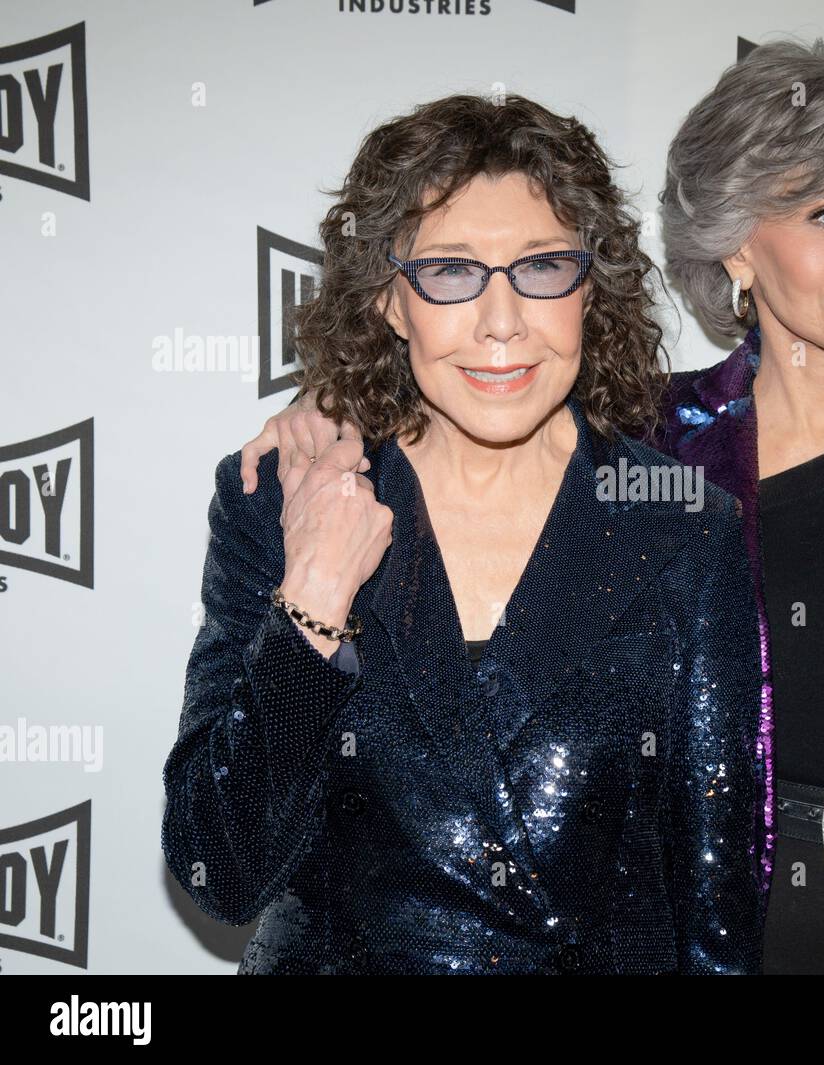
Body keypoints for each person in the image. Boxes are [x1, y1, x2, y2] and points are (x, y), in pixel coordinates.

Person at [240, 39, 824, 975]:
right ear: (736, 245)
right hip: (731, 937)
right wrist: (329, 412)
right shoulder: (652, 443)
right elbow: (464, 395)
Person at [162, 93, 764, 974]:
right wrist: (315, 599)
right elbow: (221, 868)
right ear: (389, 302)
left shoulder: (682, 523)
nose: (501, 320)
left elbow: (719, 913)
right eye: (449, 272)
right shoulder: (279, 497)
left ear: (589, 290)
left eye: (543, 267)